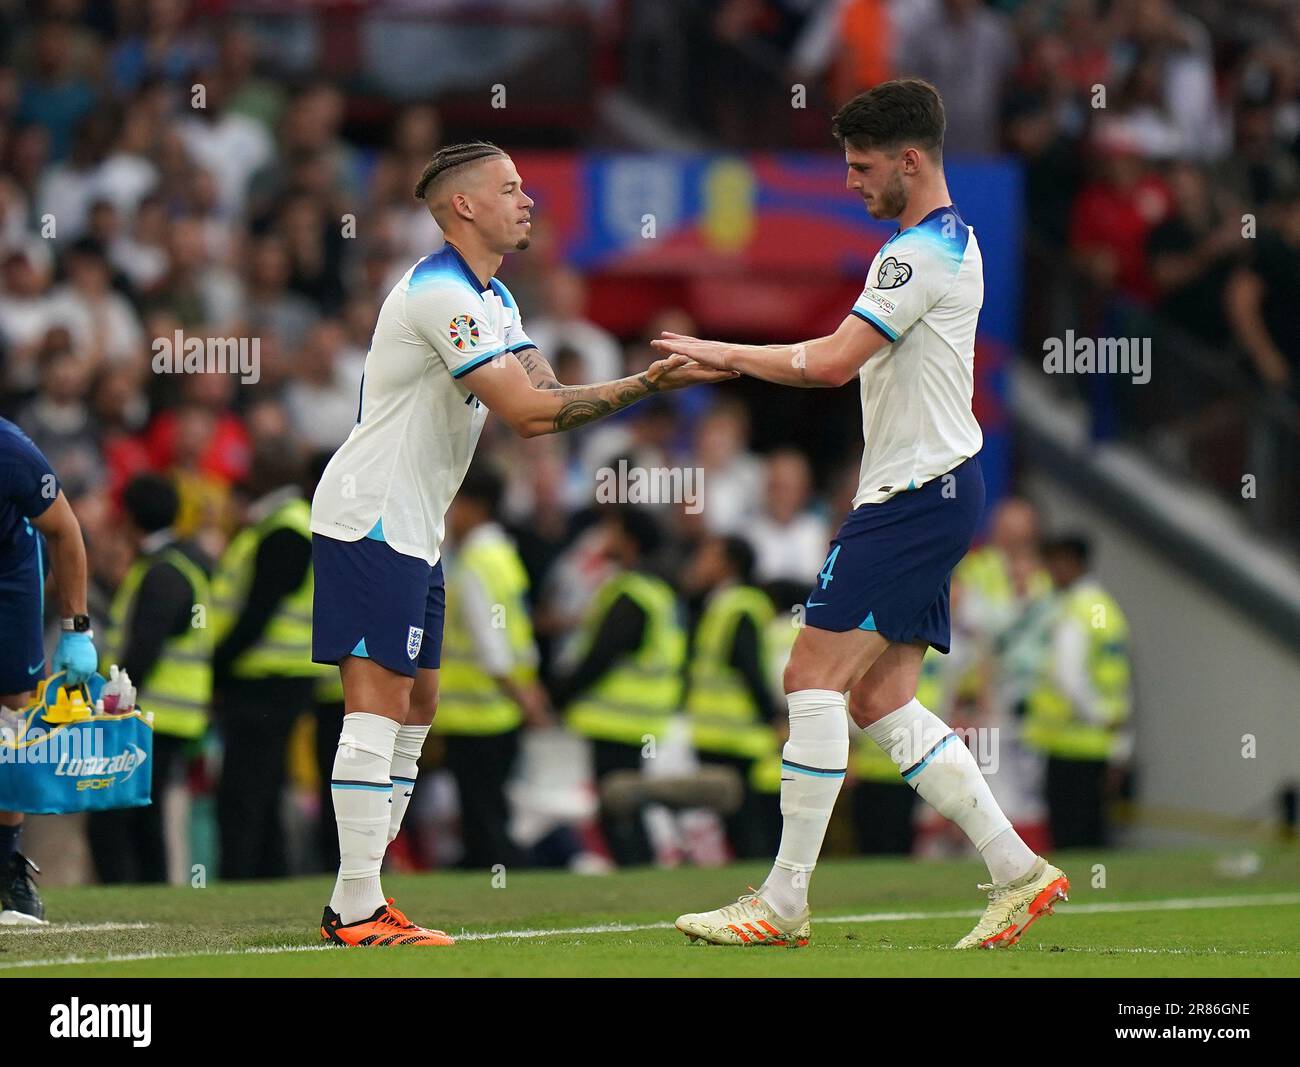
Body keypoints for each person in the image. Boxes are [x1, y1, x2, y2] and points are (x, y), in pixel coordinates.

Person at [655, 80, 1069, 950]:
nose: (849, 181)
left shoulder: (915, 252)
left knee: (810, 678)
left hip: (913, 499)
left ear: (909, 161)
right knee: (881, 699)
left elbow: (831, 364)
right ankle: (1017, 868)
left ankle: (783, 900)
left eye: (861, 165)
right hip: (940, 491)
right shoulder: (954, 244)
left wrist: (722, 352)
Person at [308, 141, 730, 946]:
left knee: (419, 702)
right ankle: (357, 905)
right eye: (510, 188)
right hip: (371, 514)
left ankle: (356, 894)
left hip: (415, 525)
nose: (526, 200)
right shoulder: (439, 294)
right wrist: (643, 386)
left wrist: (644, 385)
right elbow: (531, 416)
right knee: (378, 702)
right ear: (463, 206)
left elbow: (549, 390)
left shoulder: (495, 297)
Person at [90, 474, 212, 883]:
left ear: (129, 518)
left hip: (152, 713)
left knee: (115, 812)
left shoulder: (163, 571)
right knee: (144, 810)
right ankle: (151, 891)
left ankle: (129, 893)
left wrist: (108, 706)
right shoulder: (178, 565)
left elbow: (143, 649)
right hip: (167, 714)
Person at [0, 416, 97, 923]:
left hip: (7, 571)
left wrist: (76, 630)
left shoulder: (11, 452)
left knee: (12, 717)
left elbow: (64, 530)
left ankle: (4, 865)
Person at [210, 445, 320, 880]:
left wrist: (218, 666)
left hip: (268, 676)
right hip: (280, 675)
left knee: (242, 789)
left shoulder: (284, 529)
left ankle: (238, 876)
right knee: (265, 784)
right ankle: (269, 873)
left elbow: (258, 612)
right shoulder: (285, 523)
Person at [553, 507, 685, 867]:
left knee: (619, 807)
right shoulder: (659, 591)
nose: (602, 538)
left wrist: (558, 695)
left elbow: (600, 657)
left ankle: (638, 872)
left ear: (629, 541)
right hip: (642, 720)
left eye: (611, 530)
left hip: (618, 720)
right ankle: (640, 872)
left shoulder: (633, 593)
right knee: (626, 806)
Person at [434, 462, 550, 869]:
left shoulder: (475, 564)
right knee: (492, 808)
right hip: (500, 707)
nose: (448, 514)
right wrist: (530, 693)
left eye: (454, 503)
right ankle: (504, 875)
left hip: (477, 711)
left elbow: (491, 645)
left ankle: (502, 878)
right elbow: (519, 633)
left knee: (482, 815)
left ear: (475, 506)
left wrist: (523, 698)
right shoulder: (503, 556)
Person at [1023, 536, 1133, 850]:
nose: (1049, 572)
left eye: (1054, 564)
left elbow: (1067, 676)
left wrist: (1096, 715)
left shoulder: (1075, 610)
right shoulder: (1109, 610)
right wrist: (1119, 742)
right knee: (1093, 836)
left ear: (1071, 564)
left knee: (1069, 838)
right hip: (1099, 745)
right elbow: (1120, 683)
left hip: (1069, 741)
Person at [681, 535, 782, 859]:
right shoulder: (721, 603)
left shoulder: (739, 605)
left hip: (737, 737)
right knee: (738, 828)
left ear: (728, 564)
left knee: (746, 829)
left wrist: (772, 719)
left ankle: (758, 895)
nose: (698, 563)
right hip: (724, 734)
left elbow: (749, 668)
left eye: (707, 555)